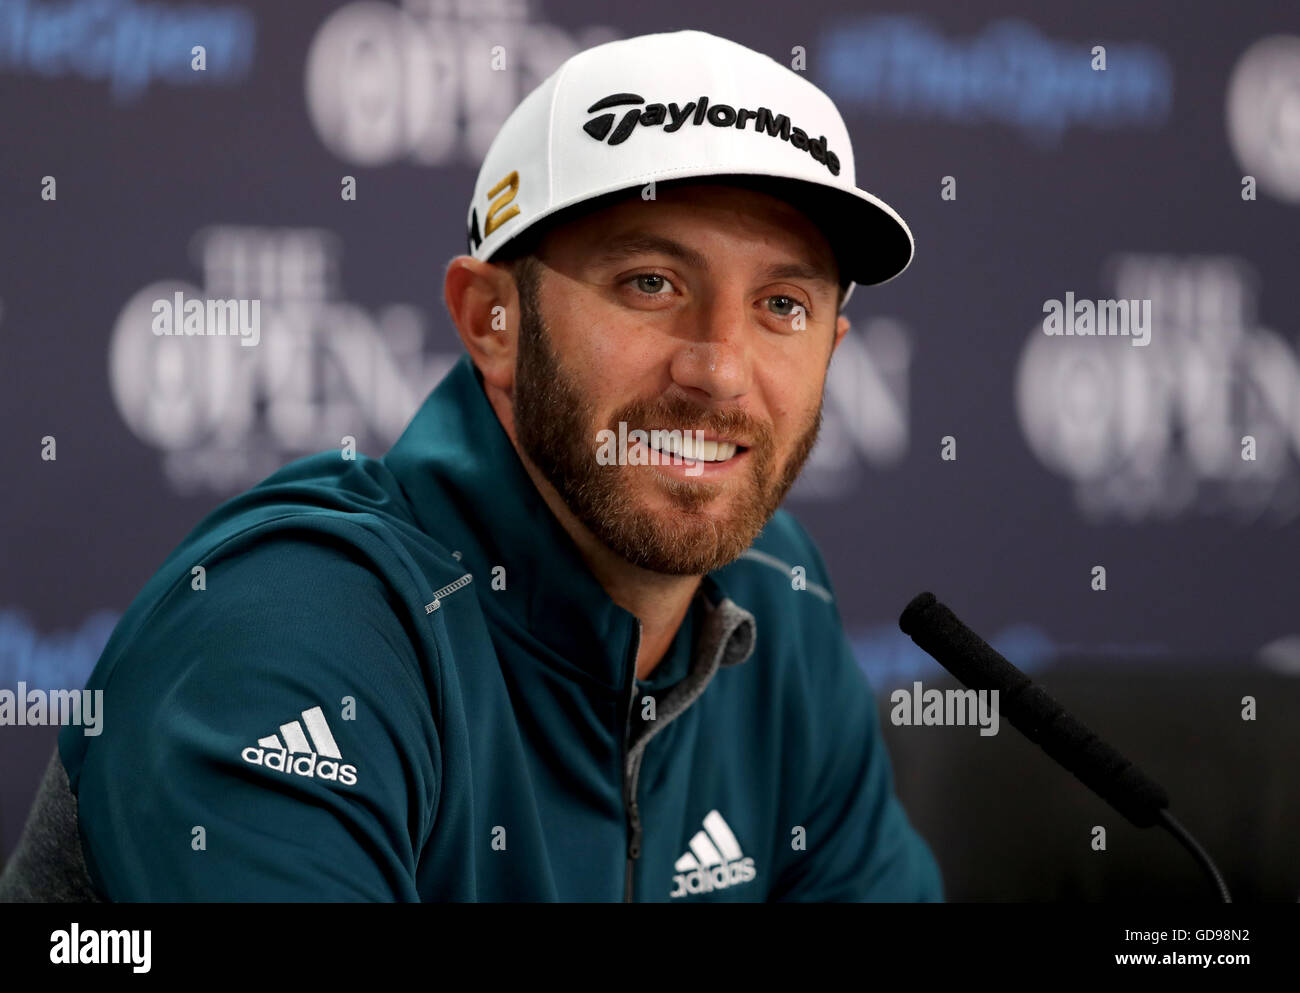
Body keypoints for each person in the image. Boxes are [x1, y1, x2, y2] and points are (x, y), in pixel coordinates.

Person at [0, 29, 942, 902]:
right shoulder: (293, 632)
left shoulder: (781, 595)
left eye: (783, 305)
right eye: (650, 282)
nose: (720, 369)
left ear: (833, 346)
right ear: (492, 320)